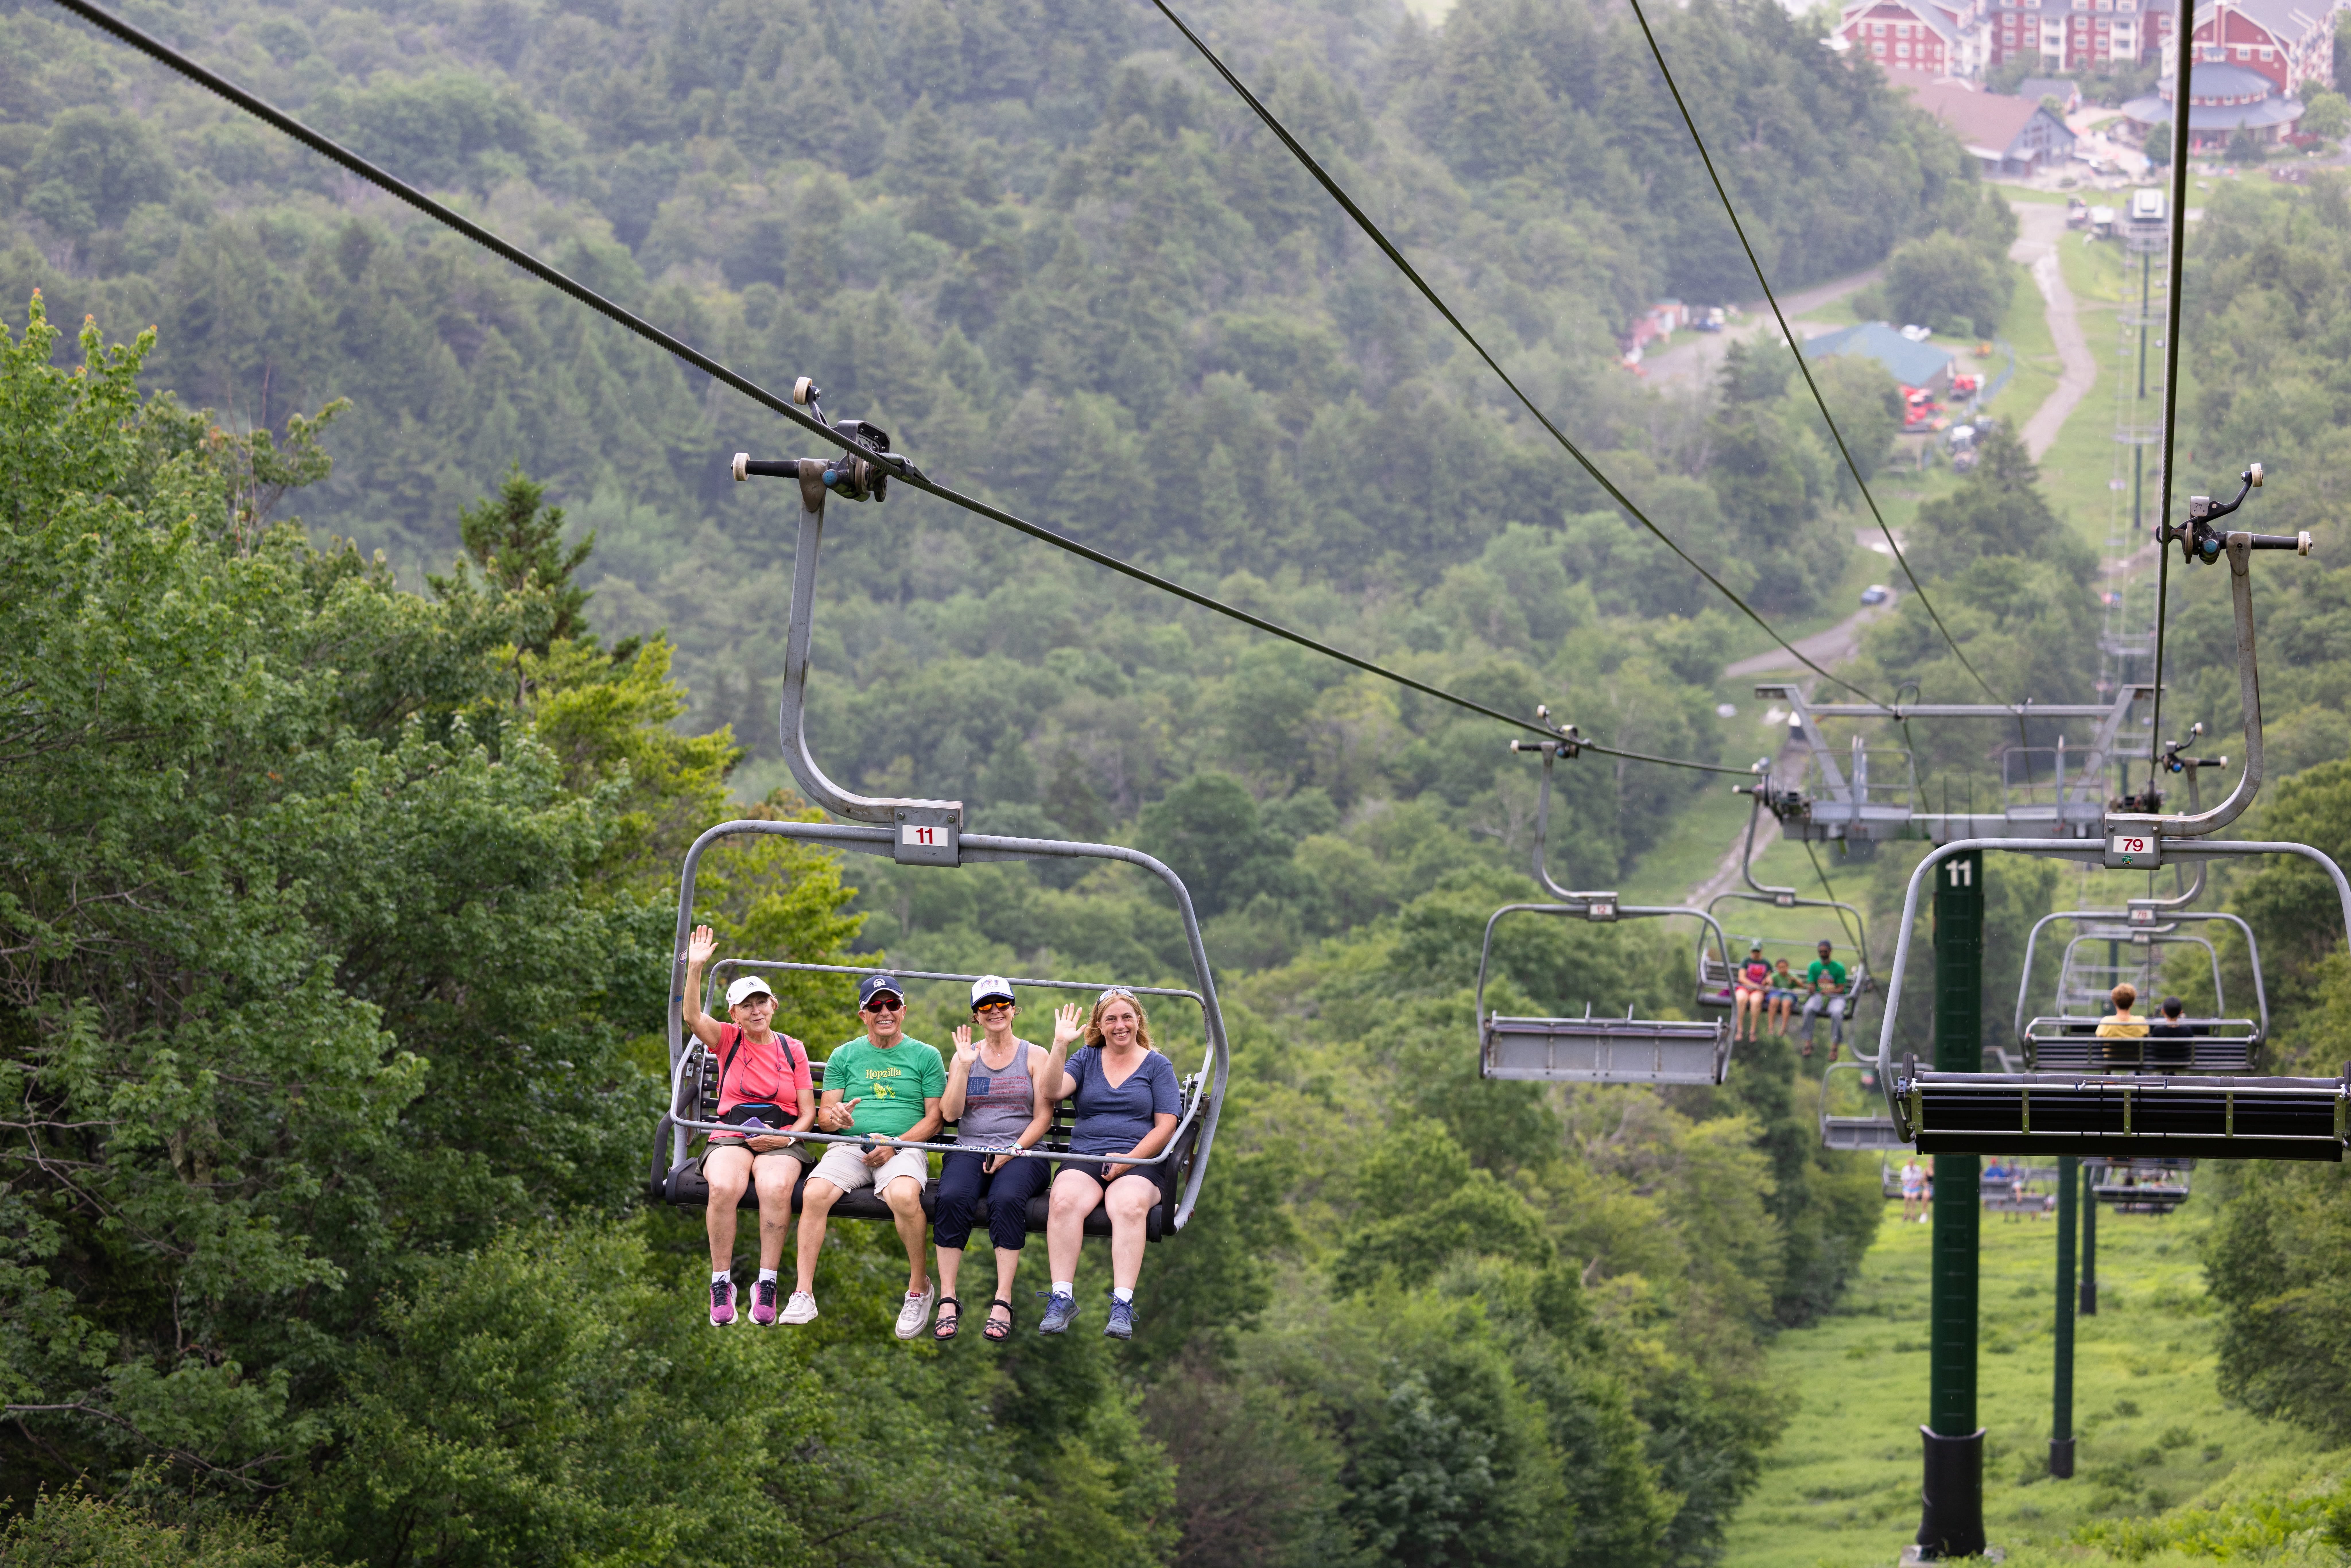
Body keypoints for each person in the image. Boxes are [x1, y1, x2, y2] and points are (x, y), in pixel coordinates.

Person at [790, 973, 948, 1337]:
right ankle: (803, 1292)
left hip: (903, 1146)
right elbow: (825, 1118)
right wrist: (838, 1117)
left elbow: (935, 1119)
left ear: (904, 1010)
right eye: (875, 1006)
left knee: (904, 1196)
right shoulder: (844, 1055)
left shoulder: (925, 1055)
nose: (884, 1012)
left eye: (892, 1004)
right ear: (863, 1015)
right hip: (850, 1145)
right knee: (814, 1193)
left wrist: (895, 1144)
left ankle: (919, 1287)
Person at [680, 926, 816, 1328]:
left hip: (782, 1136)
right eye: (746, 1006)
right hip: (732, 1133)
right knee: (724, 1187)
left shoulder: (792, 1049)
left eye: (761, 1003)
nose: (756, 1011)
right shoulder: (728, 1040)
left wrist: (785, 1137)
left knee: (776, 1188)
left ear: (773, 1005)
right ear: (734, 1014)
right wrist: (695, 969)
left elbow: (807, 1112)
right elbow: (692, 1017)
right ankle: (721, 1283)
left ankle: (767, 1283)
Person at [1037, 989, 1182, 1341]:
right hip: (1088, 1156)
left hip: (1140, 1161)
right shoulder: (1086, 1058)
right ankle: (1061, 1297)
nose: (1120, 1026)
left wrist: (1128, 1161)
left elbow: (1166, 1124)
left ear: (1138, 1021)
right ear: (1099, 1026)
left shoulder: (1156, 1065)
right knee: (1063, 1200)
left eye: (1127, 1017)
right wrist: (1060, 1045)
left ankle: (1122, 1304)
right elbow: (1051, 1090)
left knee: (1128, 1205)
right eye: (1111, 1019)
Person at [930, 975, 1056, 1343]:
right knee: (951, 1197)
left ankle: (1003, 1299)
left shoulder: (1035, 1055)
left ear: (1014, 1009)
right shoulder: (965, 1055)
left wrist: (1012, 1150)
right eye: (985, 1006)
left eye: (1002, 1003)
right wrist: (963, 1067)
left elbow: (1043, 1118)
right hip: (972, 1147)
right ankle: (948, 1297)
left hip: (1024, 1151)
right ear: (976, 1016)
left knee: (1006, 1198)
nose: (995, 1011)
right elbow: (950, 1114)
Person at [1800, 939, 1850, 1058]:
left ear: (1830, 951)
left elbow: (1841, 989)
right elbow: (1812, 984)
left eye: (1825, 951)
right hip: (1819, 996)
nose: (1823, 954)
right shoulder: (1814, 966)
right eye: (1820, 952)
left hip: (1836, 997)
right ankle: (1808, 1043)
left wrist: (1829, 992)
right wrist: (1811, 988)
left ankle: (1835, 1047)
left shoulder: (1839, 967)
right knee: (1808, 1009)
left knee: (1837, 1013)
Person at [2095, 982, 2148, 1066]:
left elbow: (2099, 1039)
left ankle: (2107, 1072)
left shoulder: (2107, 1022)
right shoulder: (2141, 1022)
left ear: (2114, 1002)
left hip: (2111, 1060)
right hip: (2135, 1060)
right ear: (2132, 1002)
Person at [1733, 944, 1773, 1044]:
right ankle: (1740, 1030)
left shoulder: (1766, 963)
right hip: (1746, 987)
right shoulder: (1746, 961)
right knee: (1740, 998)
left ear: (1761, 951)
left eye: (1757, 951)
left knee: (1756, 1001)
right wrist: (1755, 986)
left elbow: (1769, 979)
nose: (1755, 954)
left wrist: (1766, 985)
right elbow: (1742, 978)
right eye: (1754, 951)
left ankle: (1753, 1031)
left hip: (1759, 990)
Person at [2146, 994, 2194, 1069]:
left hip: (2160, 1062)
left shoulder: (2157, 1031)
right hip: (2182, 1063)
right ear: (2181, 1012)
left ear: (2163, 1012)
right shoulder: (2187, 1031)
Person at [1767, 957, 1801, 1038]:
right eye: (1780, 968)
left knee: (1786, 1004)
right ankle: (1771, 1027)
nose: (1782, 970)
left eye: (1784, 967)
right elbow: (1767, 981)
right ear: (1777, 968)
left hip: (1789, 994)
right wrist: (1768, 980)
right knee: (1773, 1002)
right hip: (1777, 994)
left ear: (1787, 967)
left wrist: (1795, 981)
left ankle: (1784, 1028)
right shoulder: (1775, 975)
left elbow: (1802, 985)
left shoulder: (1791, 975)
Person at [1899, 1155, 1927, 1224]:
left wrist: (1916, 1184)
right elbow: (1904, 1179)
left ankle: (1913, 1213)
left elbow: (1920, 1179)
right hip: (1908, 1186)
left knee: (1914, 1197)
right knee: (1907, 1197)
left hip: (1915, 1187)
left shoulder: (1918, 1169)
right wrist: (1906, 1183)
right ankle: (1906, 1213)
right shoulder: (1905, 1169)